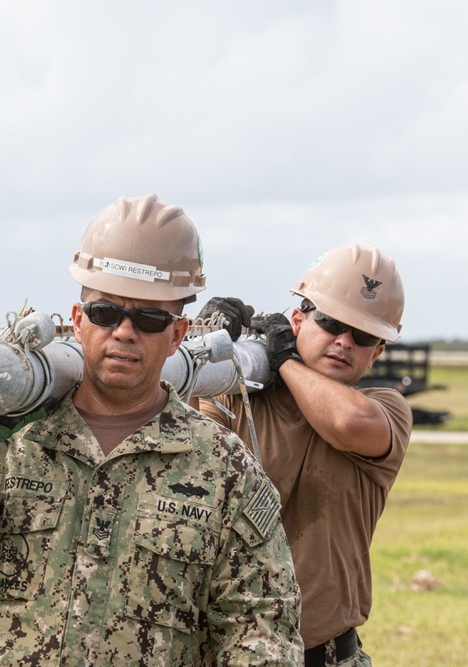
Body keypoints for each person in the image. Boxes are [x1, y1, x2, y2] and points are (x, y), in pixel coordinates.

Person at [0, 193, 304, 665]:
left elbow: (261, 628)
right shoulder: (16, 444)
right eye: (106, 313)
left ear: (177, 334)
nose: (124, 332)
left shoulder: (223, 467)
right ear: (77, 321)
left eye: (149, 318)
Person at [194, 244, 412, 666]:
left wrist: (285, 359)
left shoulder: (386, 409)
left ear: (377, 352)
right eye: (330, 323)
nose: (344, 341)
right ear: (298, 320)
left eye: (364, 336)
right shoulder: (237, 396)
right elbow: (178, 443)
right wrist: (196, 345)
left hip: (323, 655)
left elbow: (348, 423)